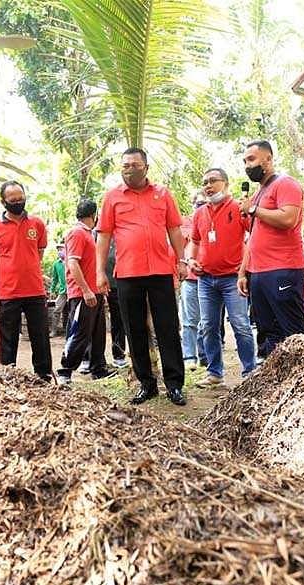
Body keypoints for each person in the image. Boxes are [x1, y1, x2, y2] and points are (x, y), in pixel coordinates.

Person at [96, 147, 188, 406]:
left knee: (167, 328)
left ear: (146, 167)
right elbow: (104, 236)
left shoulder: (163, 194)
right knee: (134, 330)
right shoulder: (112, 197)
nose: (129, 170)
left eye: (135, 165)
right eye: (125, 165)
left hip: (161, 271)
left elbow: (174, 229)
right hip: (127, 274)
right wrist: (99, 271)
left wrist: (181, 261)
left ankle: (174, 385)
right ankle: (146, 385)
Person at [238, 140, 304, 358]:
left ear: (268, 159)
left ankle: (302, 373)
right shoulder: (259, 192)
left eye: (252, 159)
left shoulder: (286, 184)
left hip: (283, 269)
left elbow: (288, 219)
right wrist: (243, 272)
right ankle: (272, 374)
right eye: (245, 161)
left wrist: (253, 209)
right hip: (258, 272)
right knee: (267, 332)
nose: (248, 166)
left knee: (293, 332)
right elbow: (253, 236)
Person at [187, 168, 256, 388]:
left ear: (225, 183)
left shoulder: (237, 207)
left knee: (240, 324)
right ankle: (214, 372)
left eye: (212, 181)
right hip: (206, 279)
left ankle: (250, 371)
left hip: (233, 278)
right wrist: (191, 260)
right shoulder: (199, 213)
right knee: (208, 326)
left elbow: (254, 233)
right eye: (204, 182)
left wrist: (245, 270)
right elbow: (195, 241)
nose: (208, 186)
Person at [0, 181, 53, 381]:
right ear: (3, 201)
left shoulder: (37, 224)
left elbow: (38, 253)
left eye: (21, 198)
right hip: (9, 291)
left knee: (40, 335)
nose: (18, 202)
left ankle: (43, 375)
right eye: (13, 200)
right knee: (8, 336)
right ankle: (8, 374)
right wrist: (1, 281)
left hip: (35, 290)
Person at [56, 199, 115, 384]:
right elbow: (72, 263)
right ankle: (65, 371)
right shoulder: (77, 233)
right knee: (80, 332)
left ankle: (98, 368)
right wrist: (86, 290)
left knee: (98, 332)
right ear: (94, 215)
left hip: (94, 290)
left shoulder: (89, 234)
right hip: (82, 293)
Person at [180, 192, 207, 370]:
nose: (201, 206)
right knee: (189, 320)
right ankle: (189, 356)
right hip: (190, 279)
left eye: (203, 203)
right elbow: (179, 245)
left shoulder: (214, 220)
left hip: (209, 277)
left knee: (207, 321)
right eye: (198, 204)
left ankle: (205, 355)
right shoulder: (185, 223)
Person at [105, 238, 127, 368]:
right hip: (100, 284)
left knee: (118, 320)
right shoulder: (96, 236)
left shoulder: (121, 236)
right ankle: (90, 359)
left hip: (119, 285)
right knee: (93, 323)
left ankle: (119, 354)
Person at [49, 242, 68, 336]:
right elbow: (54, 278)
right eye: (58, 250)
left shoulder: (71, 261)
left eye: (61, 249)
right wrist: (52, 290)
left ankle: (69, 331)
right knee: (57, 310)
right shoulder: (56, 264)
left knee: (72, 311)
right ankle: (53, 331)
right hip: (63, 291)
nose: (60, 251)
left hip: (74, 290)